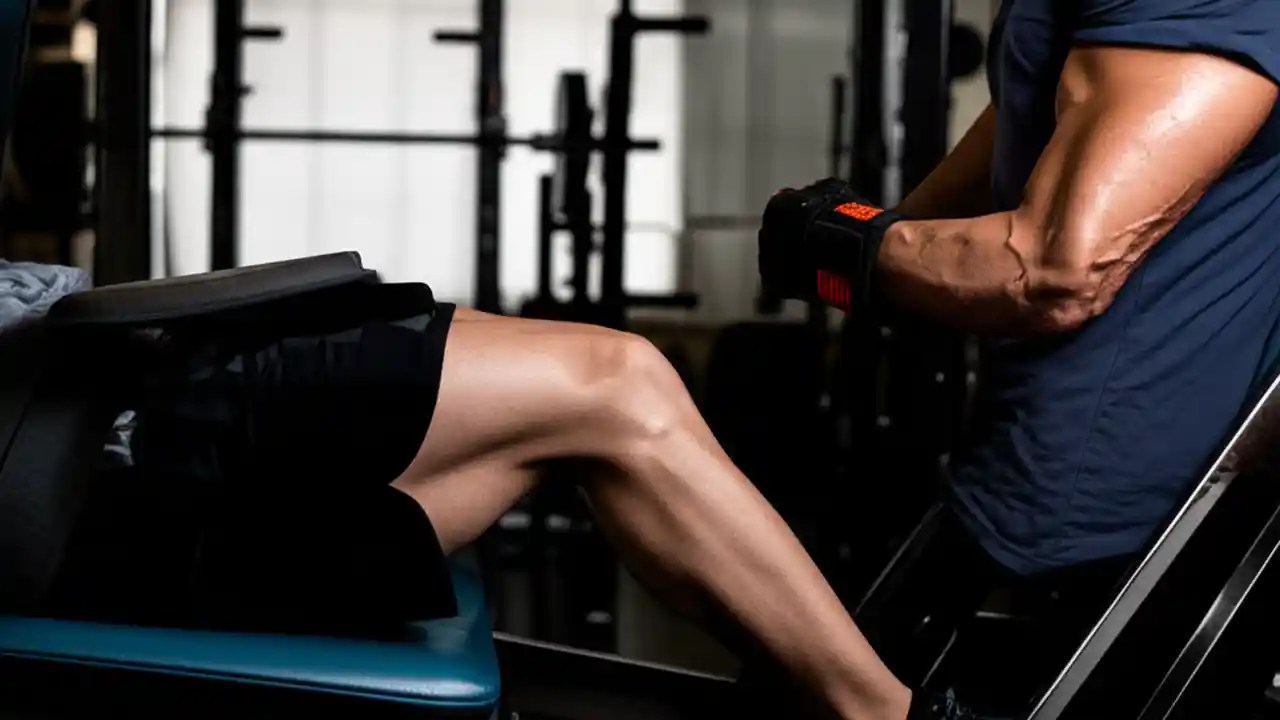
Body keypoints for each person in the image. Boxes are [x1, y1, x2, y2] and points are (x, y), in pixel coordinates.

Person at [759, 0, 1280, 706]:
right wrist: (883, 240)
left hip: (1097, 512)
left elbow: (1056, 272)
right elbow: (1034, 103)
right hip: (1012, 473)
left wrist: (834, 243)